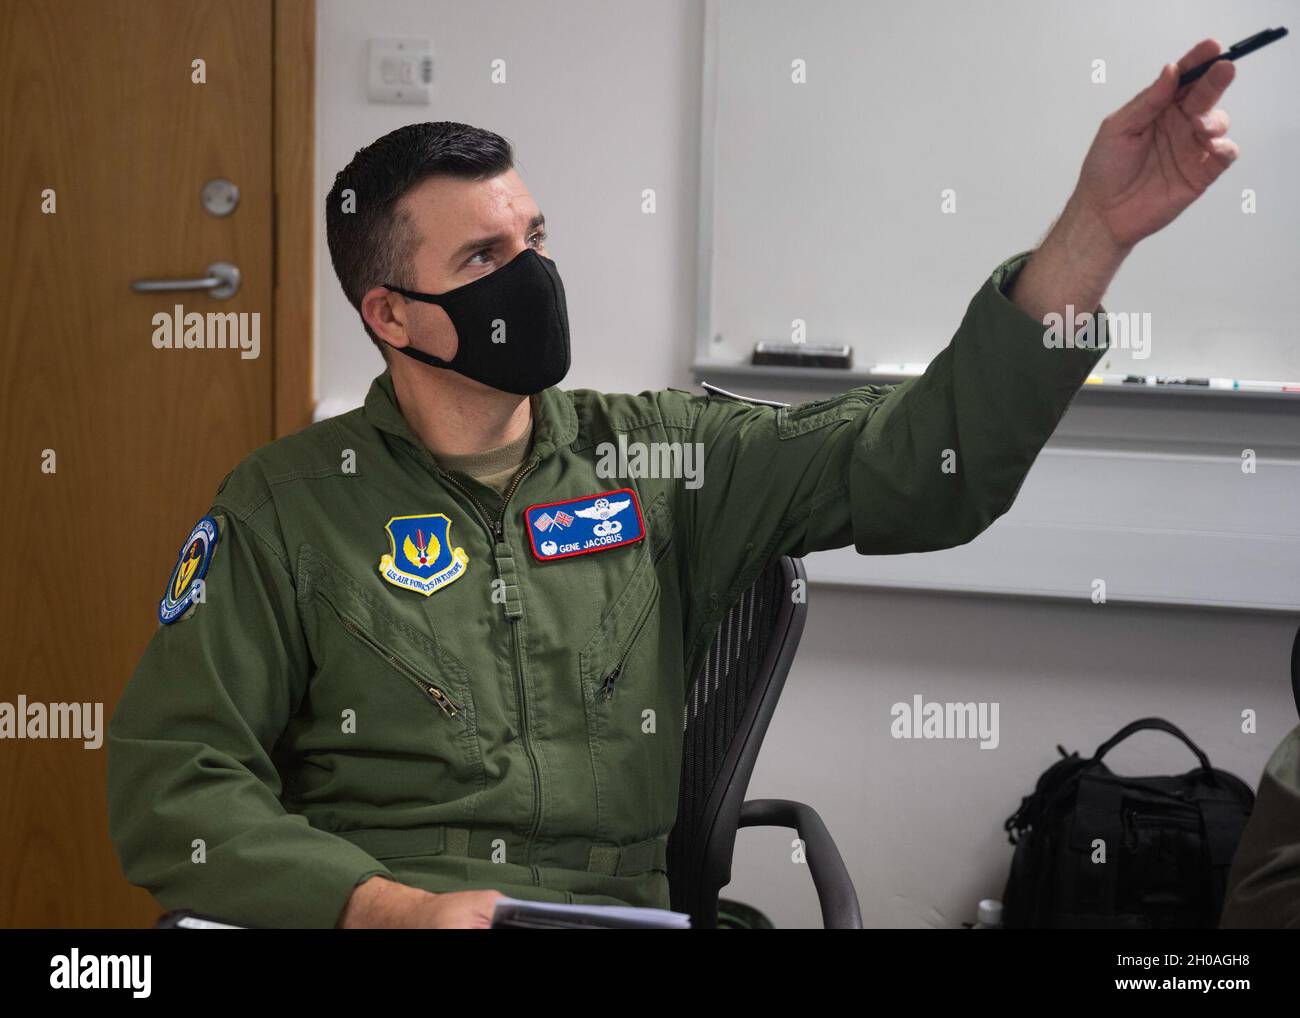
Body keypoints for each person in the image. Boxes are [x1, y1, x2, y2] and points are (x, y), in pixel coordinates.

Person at [107, 39, 1241, 928]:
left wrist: (1095, 230)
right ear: (390, 316)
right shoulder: (284, 503)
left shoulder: (658, 460)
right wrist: (377, 907)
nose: (533, 276)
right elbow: (176, 785)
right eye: (482, 261)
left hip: (599, 923)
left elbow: (925, 466)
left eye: (534, 238)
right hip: (385, 911)